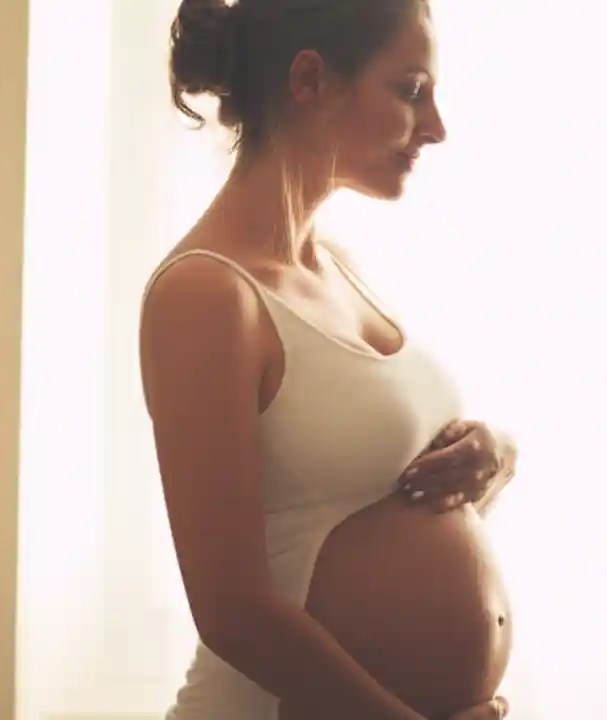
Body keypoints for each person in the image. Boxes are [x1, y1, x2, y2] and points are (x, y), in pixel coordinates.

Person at [137, 1, 519, 717]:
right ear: (310, 80)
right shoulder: (206, 294)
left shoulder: (339, 268)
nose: (436, 127)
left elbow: (368, 502)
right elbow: (233, 614)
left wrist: (492, 459)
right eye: (411, 90)